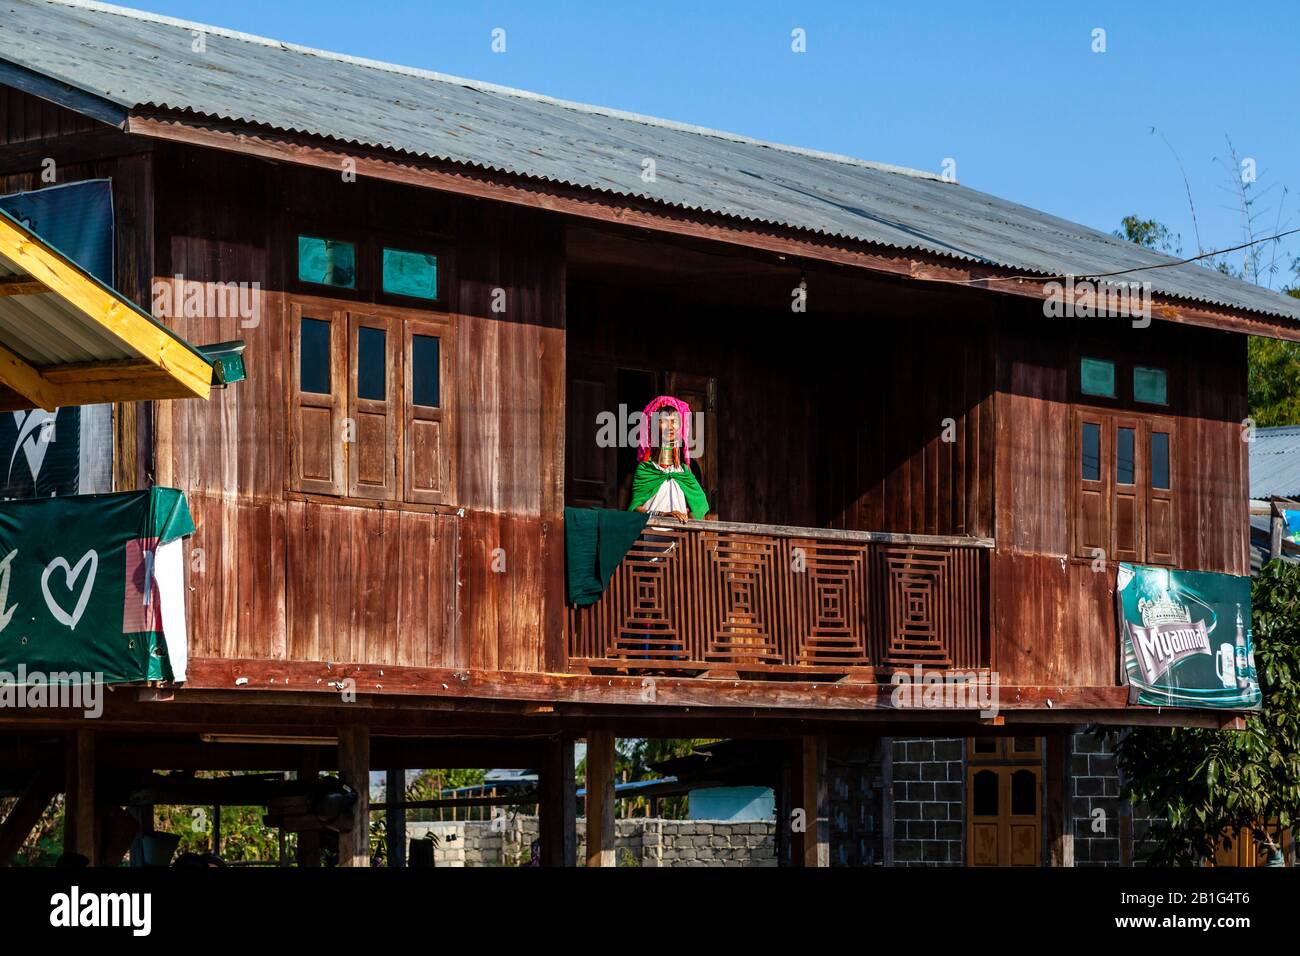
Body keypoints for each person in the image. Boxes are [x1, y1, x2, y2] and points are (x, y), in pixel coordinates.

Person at [627, 395, 709, 522]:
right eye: (664, 421)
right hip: (650, 538)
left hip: (679, 539)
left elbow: (699, 510)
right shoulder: (645, 469)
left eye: (674, 421)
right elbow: (635, 509)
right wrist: (663, 515)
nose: (670, 426)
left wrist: (686, 520)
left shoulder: (684, 471)